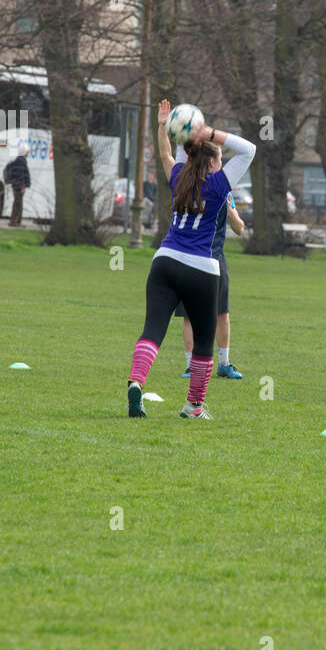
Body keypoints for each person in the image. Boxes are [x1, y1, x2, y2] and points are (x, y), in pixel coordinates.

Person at [126, 100, 256, 419]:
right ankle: (194, 406)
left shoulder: (179, 176)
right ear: (212, 162)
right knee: (203, 344)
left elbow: (166, 154)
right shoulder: (219, 184)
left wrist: (162, 126)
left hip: (165, 261)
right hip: (201, 268)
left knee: (152, 330)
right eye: (220, 158)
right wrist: (208, 132)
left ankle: (136, 384)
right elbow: (249, 149)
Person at [179, 193, 245, 379]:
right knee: (189, 314)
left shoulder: (223, 189)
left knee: (222, 312)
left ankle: (224, 364)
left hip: (215, 258)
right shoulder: (187, 186)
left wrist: (230, 210)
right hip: (189, 256)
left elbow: (239, 228)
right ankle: (191, 366)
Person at [3, 151, 30, 225]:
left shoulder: (18, 161)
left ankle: (17, 221)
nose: (28, 153)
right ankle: (14, 221)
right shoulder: (20, 162)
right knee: (17, 203)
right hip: (18, 186)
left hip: (16, 185)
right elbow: (20, 175)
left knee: (18, 203)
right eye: (27, 152)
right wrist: (23, 186)